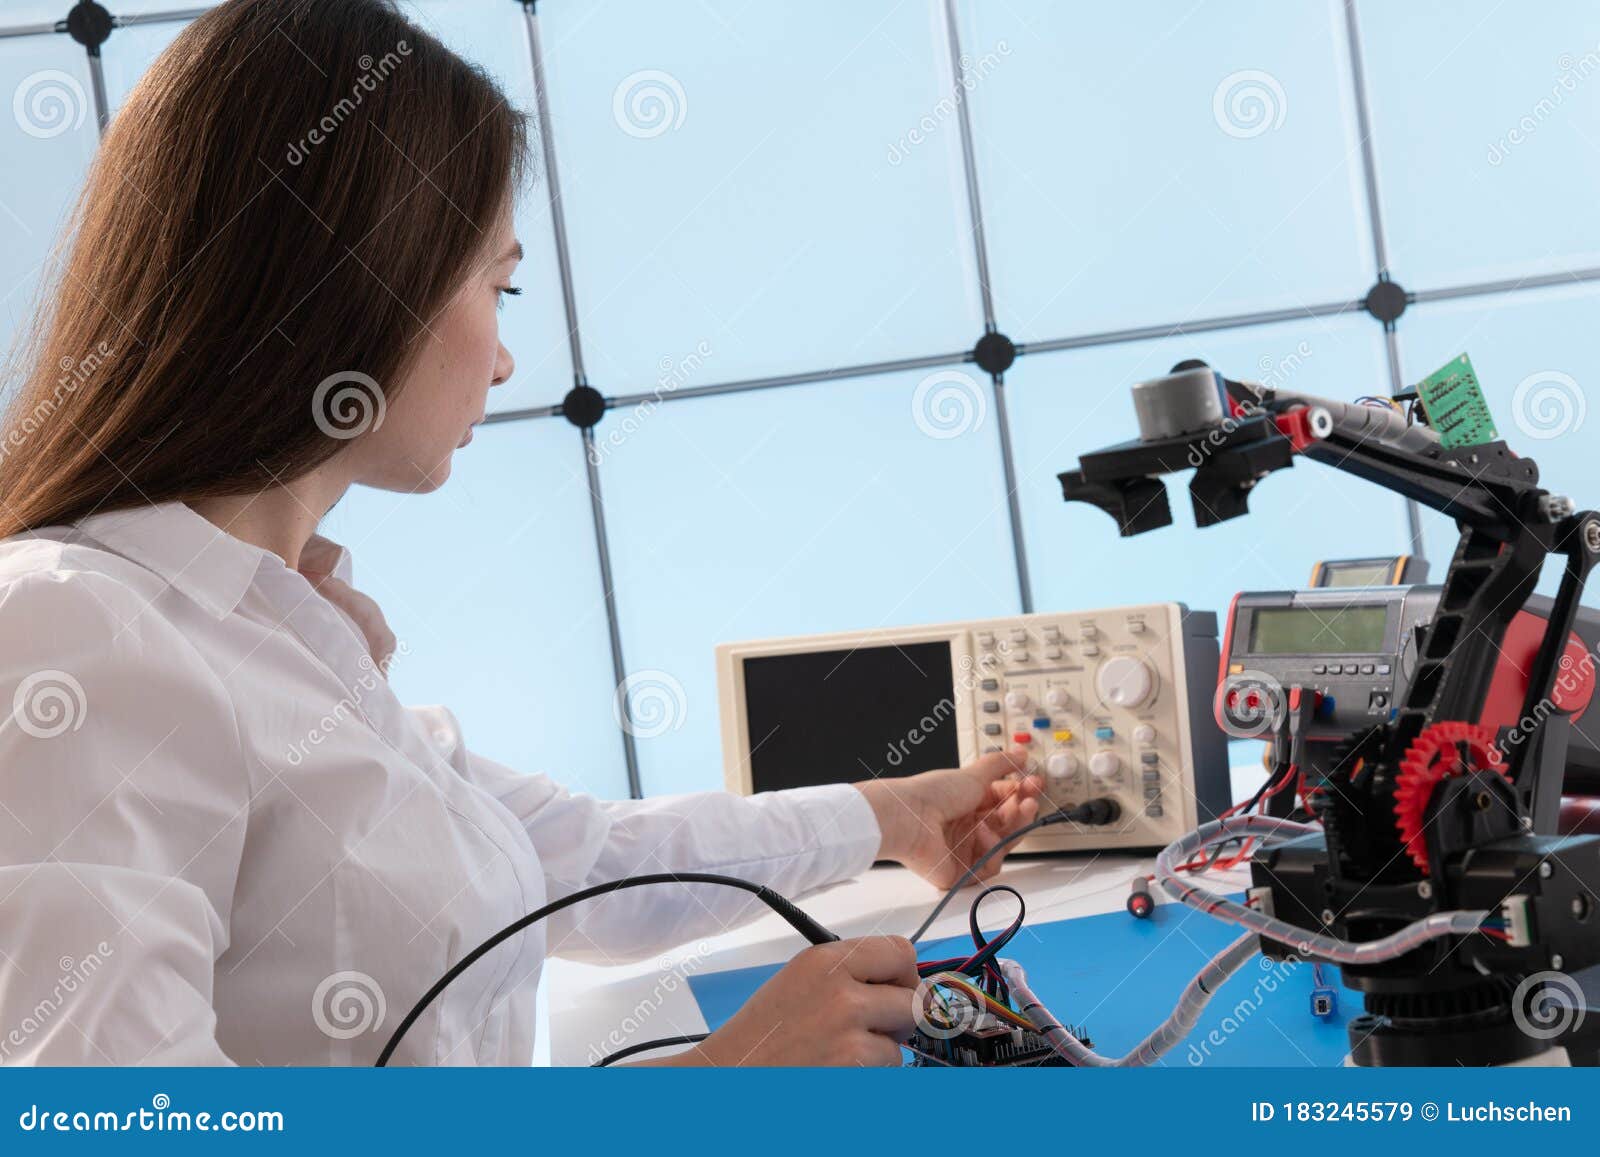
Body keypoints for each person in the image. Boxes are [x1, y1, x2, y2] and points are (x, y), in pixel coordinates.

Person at [0, 0, 1042, 1066]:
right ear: (366, 274)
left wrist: (903, 811)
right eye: (499, 287)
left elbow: (593, 862)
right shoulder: (71, 626)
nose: (504, 363)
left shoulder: (293, 643)